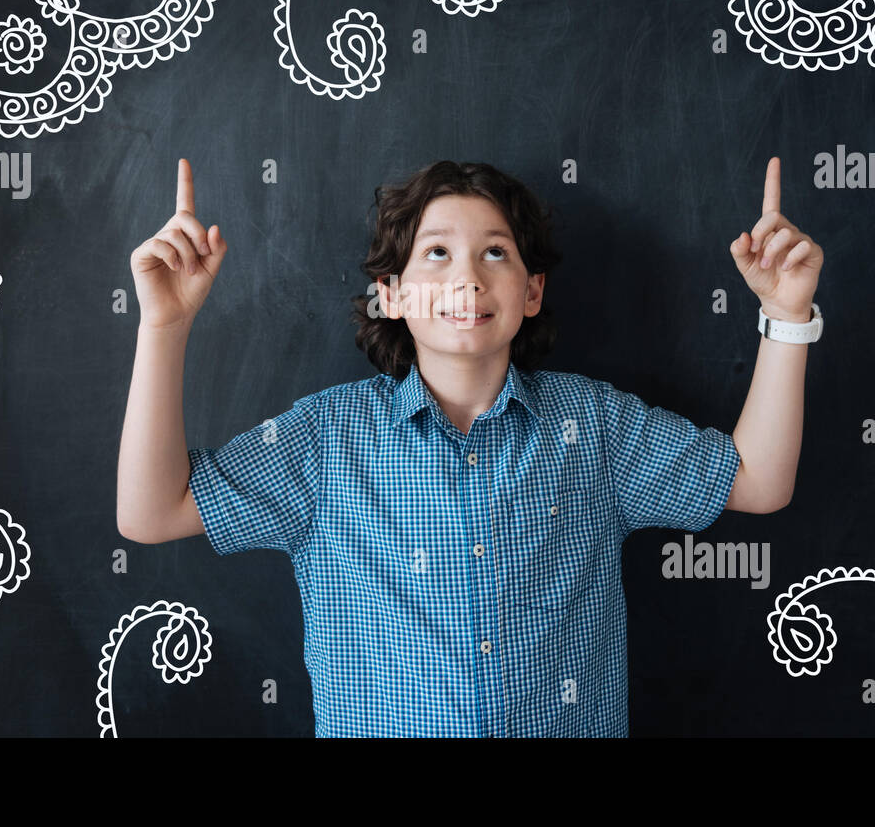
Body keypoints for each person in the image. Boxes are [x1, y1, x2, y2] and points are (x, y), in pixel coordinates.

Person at [116, 156, 823, 736]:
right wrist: (164, 326)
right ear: (390, 295)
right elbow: (151, 513)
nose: (467, 277)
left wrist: (787, 315)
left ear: (532, 289)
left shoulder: (595, 426)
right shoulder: (324, 442)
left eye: (495, 252)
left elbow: (757, 480)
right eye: (436, 254)